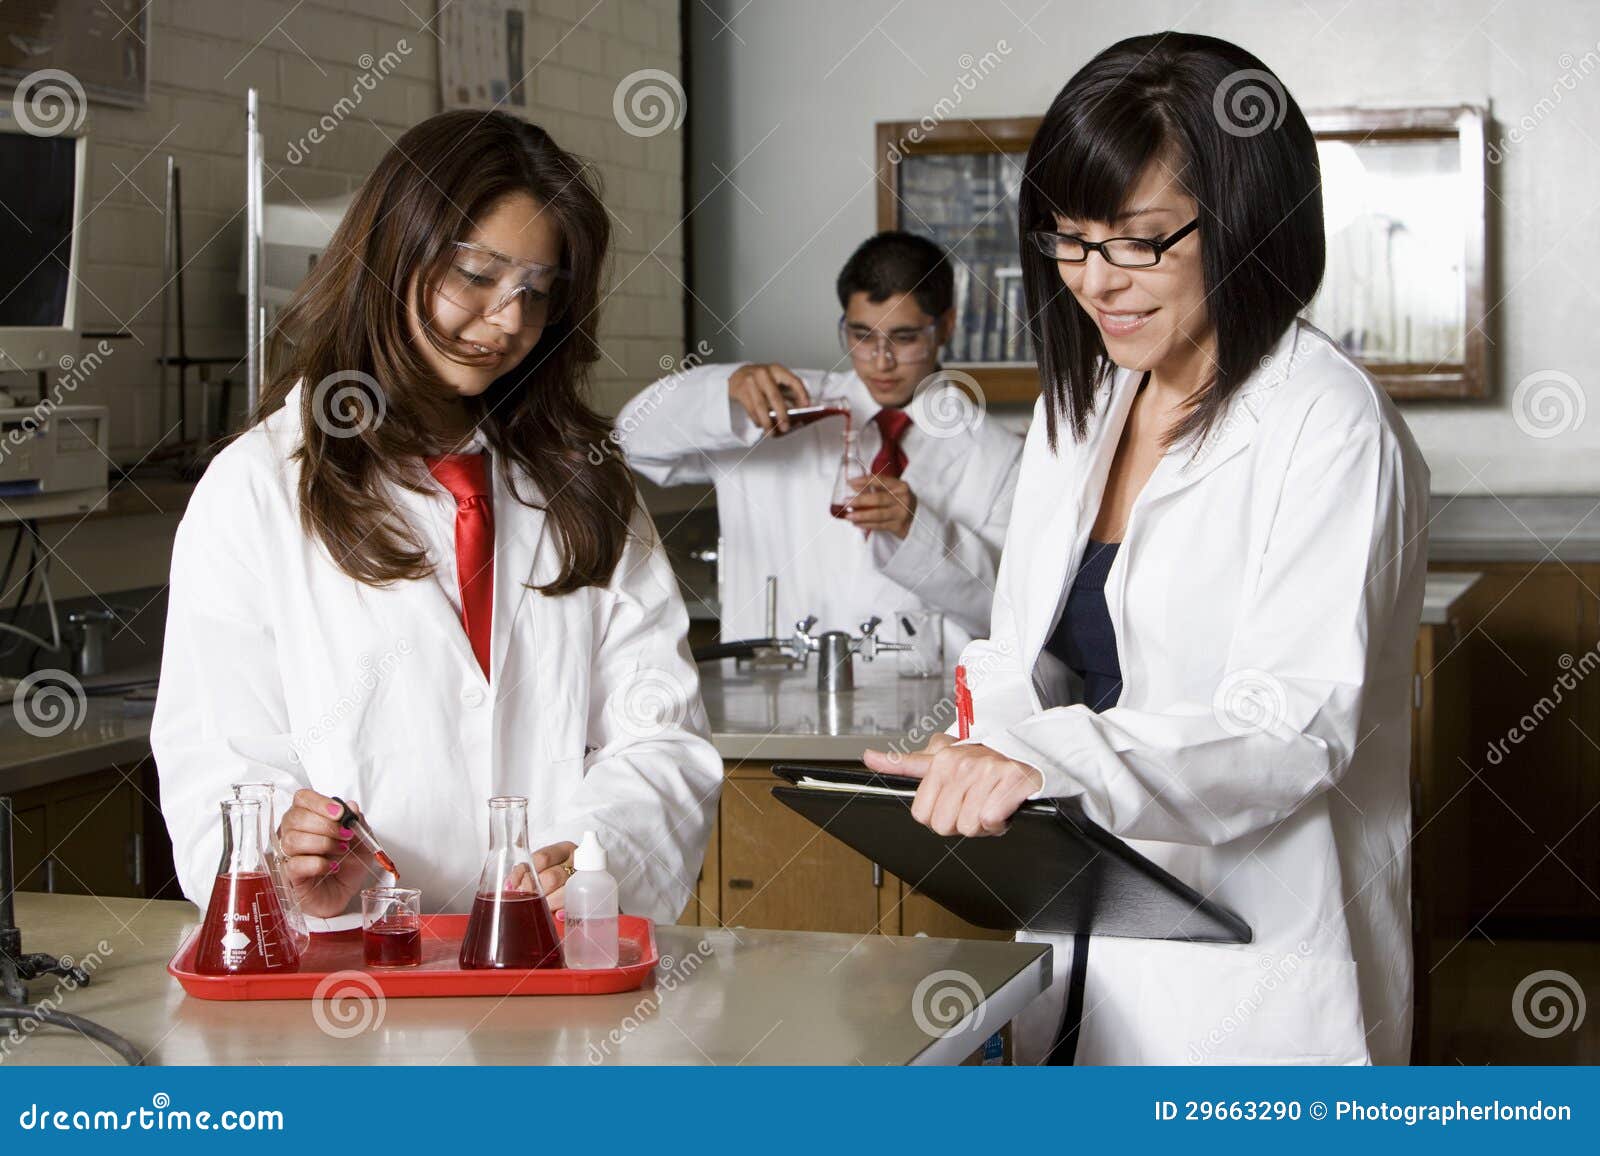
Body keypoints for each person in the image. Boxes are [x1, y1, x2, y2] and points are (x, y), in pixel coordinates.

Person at [866, 33, 1429, 1065]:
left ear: (1247, 223)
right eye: (1070, 241)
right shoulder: (1082, 406)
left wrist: (1038, 759)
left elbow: (1286, 726)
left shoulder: (1327, 424)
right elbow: (1021, 649)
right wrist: (978, 748)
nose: (1096, 282)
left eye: (1139, 241)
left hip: (1255, 973)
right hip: (1087, 947)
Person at [154, 110, 720, 926]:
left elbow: (662, 737)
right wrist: (285, 858)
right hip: (351, 987)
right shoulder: (258, 489)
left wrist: (598, 857)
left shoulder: (584, 484)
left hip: (553, 967)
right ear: (393, 253)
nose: (508, 322)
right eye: (477, 276)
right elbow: (218, 763)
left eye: (537, 292)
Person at [613, 232, 1022, 657]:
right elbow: (632, 439)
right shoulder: (777, 403)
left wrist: (916, 530)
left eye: (903, 338)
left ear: (946, 326)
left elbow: (1006, 612)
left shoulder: (998, 456)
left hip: (924, 708)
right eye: (862, 335)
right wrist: (724, 388)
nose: (880, 361)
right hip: (773, 695)